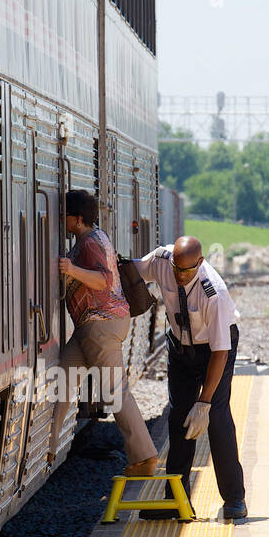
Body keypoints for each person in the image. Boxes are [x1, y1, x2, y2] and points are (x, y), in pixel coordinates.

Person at [132, 235, 247, 521]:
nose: (179, 276)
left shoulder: (214, 294)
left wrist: (204, 402)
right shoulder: (161, 261)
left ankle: (235, 499)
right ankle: (176, 500)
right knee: (178, 417)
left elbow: (221, 352)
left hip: (214, 349)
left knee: (217, 418)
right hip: (181, 346)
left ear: (201, 263)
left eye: (187, 271)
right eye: (176, 269)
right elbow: (130, 270)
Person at [47, 190, 158, 477]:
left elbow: (104, 280)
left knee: (115, 391)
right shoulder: (94, 237)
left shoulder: (90, 243)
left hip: (101, 325)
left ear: (78, 218)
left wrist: (71, 269)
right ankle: (50, 445)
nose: (63, 220)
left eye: (65, 216)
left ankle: (145, 457)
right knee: (64, 379)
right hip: (91, 327)